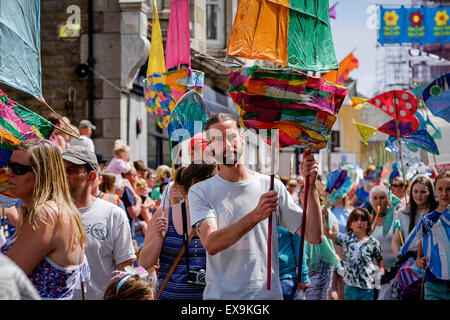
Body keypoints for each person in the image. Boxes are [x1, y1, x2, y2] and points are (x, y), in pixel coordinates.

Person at [188, 113, 322, 300]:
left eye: (232, 136)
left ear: (242, 138)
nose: (226, 145)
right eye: (217, 140)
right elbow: (211, 243)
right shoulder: (200, 191)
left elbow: (314, 236)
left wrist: (312, 187)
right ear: (210, 147)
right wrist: (256, 215)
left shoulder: (271, 185)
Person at [1, 139, 87, 299]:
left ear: (41, 173)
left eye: (18, 168)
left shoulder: (47, 214)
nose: (8, 172)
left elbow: (4, 279)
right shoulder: (51, 211)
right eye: (9, 164)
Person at [62, 145, 136, 300]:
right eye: (61, 170)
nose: (63, 175)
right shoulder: (51, 213)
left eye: (71, 170)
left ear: (92, 177)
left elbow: (125, 267)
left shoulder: (113, 214)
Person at [139, 163, 216, 299]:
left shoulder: (220, 215)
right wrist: (158, 238)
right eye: (214, 180)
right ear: (195, 182)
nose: (219, 185)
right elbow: (144, 263)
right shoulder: (164, 214)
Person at [323, 207, 385, 300]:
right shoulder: (345, 238)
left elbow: (380, 260)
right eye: (355, 220)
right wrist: (325, 215)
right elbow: (327, 232)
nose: (359, 222)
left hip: (367, 287)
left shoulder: (374, 242)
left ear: (368, 224)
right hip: (350, 287)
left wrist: (381, 272)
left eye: (363, 220)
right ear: (350, 224)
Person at [413, 171, 449, 300]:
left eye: (448, 189)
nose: (444, 193)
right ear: (435, 191)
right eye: (440, 189)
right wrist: (419, 261)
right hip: (434, 286)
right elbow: (419, 255)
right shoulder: (428, 220)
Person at [302, 182, 341, 300]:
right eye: (302, 192)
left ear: (316, 195)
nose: (304, 195)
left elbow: (334, 237)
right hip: (303, 263)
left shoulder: (325, 213)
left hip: (322, 263)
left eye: (308, 193)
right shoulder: (298, 212)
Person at [391, 174, 437, 256]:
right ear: (411, 192)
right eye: (415, 191)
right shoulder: (402, 213)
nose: (419, 195)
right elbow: (395, 240)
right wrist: (399, 256)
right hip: (410, 261)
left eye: (423, 192)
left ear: (430, 192)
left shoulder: (437, 213)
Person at [367, 184, 397, 299]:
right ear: (371, 200)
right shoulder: (367, 220)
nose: (379, 201)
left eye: (382, 197)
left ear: (387, 199)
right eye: (375, 198)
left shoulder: (396, 217)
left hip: (394, 270)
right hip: (374, 272)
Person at [277, 225, 310, 300]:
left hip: (285, 278)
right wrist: (303, 277)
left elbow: (299, 248)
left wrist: (303, 276)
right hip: (283, 278)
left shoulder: (292, 217)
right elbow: (299, 248)